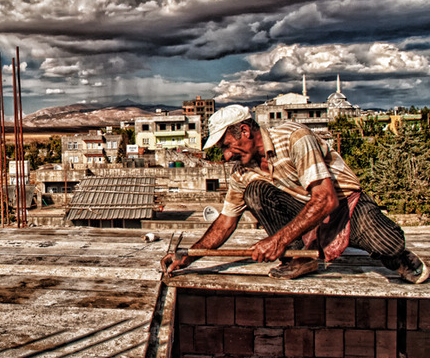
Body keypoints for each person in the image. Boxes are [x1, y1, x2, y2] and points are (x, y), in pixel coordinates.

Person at [161, 104, 428, 283]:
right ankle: (300, 257)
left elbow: (326, 199)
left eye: (228, 145)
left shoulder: (294, 138)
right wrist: (189, 256)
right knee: (255, 192)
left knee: (388, 243)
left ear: (244, 130)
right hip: (304, 215)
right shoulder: (242, 173)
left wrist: (277, 240)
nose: (227, 154)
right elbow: (225, 222)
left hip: (345, 208)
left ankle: (396, 257)